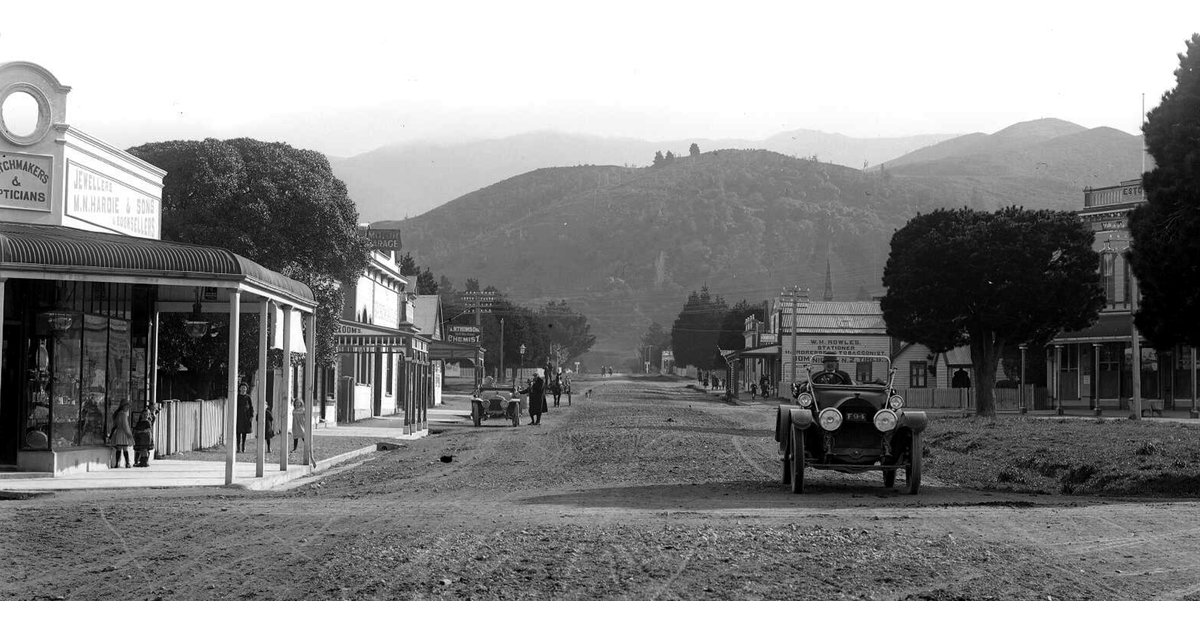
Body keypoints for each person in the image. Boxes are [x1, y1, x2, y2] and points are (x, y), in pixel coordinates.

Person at [108, 399, 134, 468]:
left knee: (119, 449)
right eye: (127, 406)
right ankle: (127, 463)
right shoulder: (123, 414)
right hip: (124, 433)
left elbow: (115, 424)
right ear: (123, 406)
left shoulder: (117, 414)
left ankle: (117, 463)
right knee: (125, 449)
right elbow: (125, 425)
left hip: (118, 432)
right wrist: (129, 434)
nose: (128, 408)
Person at [132, 403, 157, 467]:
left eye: (146, 414)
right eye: (144, 414)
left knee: (145, 449)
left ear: (148, 415)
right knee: (141, 450)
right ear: (141, 414)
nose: (145, 416)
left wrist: (141, 431)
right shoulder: (139, 422)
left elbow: (148, 430)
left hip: (145, 438)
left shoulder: (147, 422)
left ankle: (145, 461)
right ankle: (141, 461)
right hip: (140, 438)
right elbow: (136, 428)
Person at [236, 383, 254, 453]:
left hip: (246, 416)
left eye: (245, 388)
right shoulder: (237, 397)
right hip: (239, 416)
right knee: (238, 432)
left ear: (246, 389)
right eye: (242, 388)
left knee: (244, 432)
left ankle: (243, 446)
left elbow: (251, 407)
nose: (243, 389)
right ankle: (238, 447)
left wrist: (251, 416)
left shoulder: (248, 397)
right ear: (240, 389)